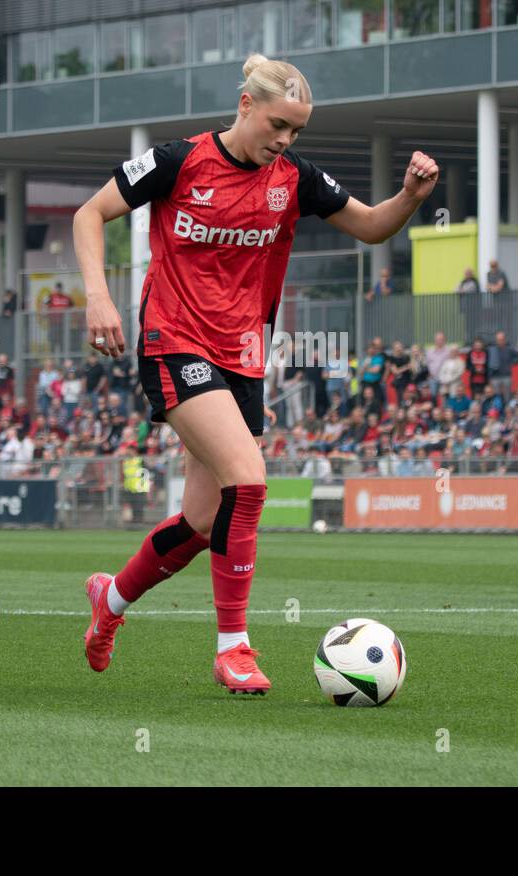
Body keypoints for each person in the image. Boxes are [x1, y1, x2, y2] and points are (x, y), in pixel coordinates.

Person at [73, 52, 438, 695]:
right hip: (174, 342)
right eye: (278, 125)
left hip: (243, 357)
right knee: (249, 479)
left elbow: (373, 227)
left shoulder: (292, 176)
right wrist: (99, 298)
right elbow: (87, 215)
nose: (285, 141)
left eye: (296, 132)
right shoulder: (176, 161)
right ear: (246, 105)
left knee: (202, 523)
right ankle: (233, 648)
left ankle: (111, 602)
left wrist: (409, 195)